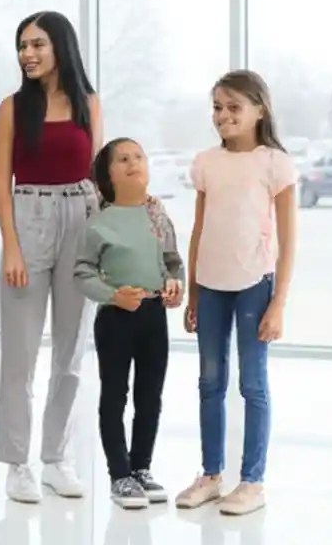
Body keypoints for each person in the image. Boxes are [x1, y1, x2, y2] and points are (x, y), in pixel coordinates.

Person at [175, 71, 297, 516]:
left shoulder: (274, 164)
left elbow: (288, 240)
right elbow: (199, 230)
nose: (223, 116)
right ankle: (211, 475)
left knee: (252, 384)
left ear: (259, 110)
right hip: (210, 286)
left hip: (254, 287)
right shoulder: (207, 162)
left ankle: (252, 481)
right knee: (210, 382)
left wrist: (278, 303)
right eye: (217, 108)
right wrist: (192, 293)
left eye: (233, 107)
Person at [0, 10, 102, 503]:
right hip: (29, 218)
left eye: (37, 44)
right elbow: (1, 181)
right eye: (22, 46)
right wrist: (11, 245)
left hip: (82, 217)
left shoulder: (88, 103)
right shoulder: (13, 107)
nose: (28, 54)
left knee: (72, 352)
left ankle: (56, 458)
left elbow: (98, 174)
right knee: (20, 354)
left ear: (61, 47)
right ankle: (18, 464)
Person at [75, 137, 185, 510]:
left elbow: (173, 263)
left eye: (138, 156)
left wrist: (175, 285)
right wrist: (113, 295)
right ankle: (119, 474)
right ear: (108, 175)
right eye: (123, 159)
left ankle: (141, 468)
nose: (133, 163)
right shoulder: (98, 224)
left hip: (154, 318)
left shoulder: (158, 217)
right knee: (114, 396)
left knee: (150, 397)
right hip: (116, 320)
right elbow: (83, 273)